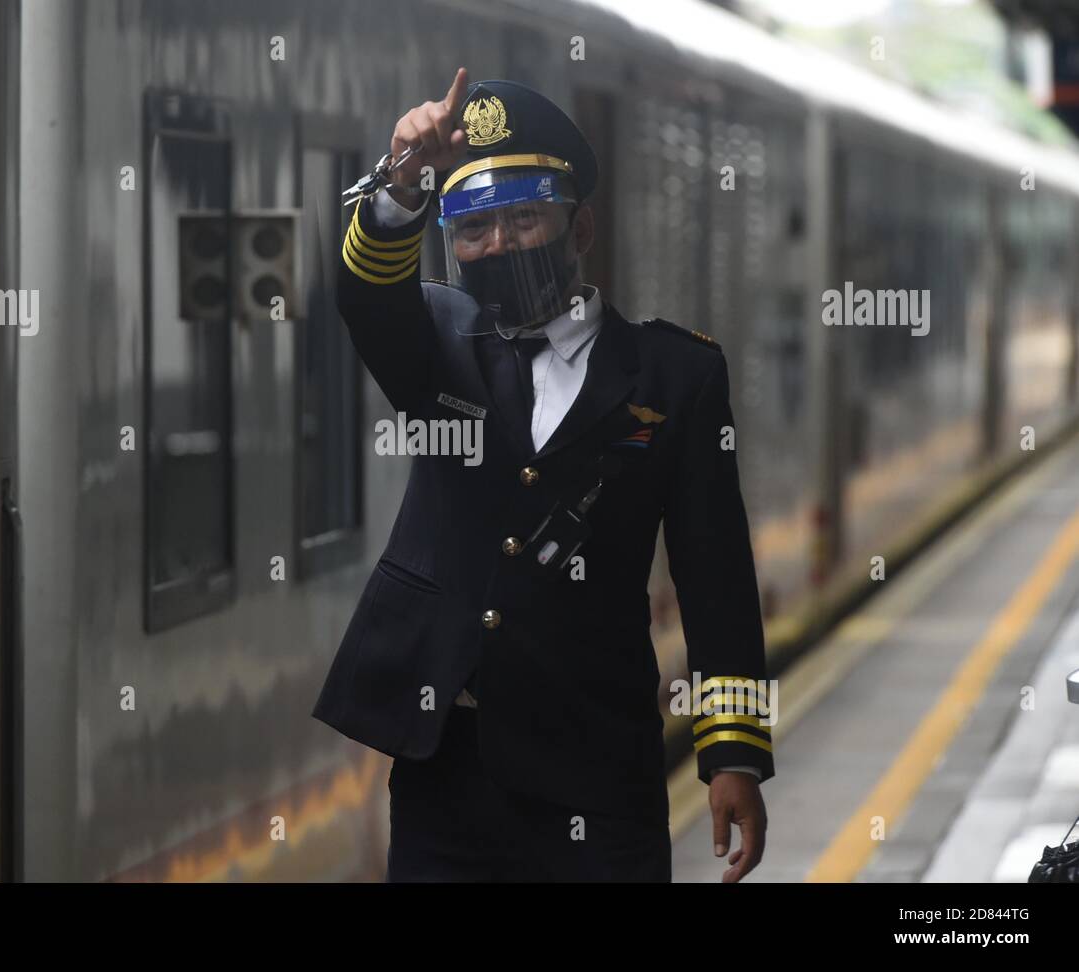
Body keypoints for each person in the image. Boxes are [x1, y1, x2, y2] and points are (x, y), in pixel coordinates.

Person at [312, 68, 772, 882]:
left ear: (580, 228)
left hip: (599, 771)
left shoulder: (675, 376)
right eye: (475, 230)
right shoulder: (438, 344)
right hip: (446, 768)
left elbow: (716, 576)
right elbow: (366, 299)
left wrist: (733, 754)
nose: (498, 246)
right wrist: (401, 187)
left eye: (524, 219)